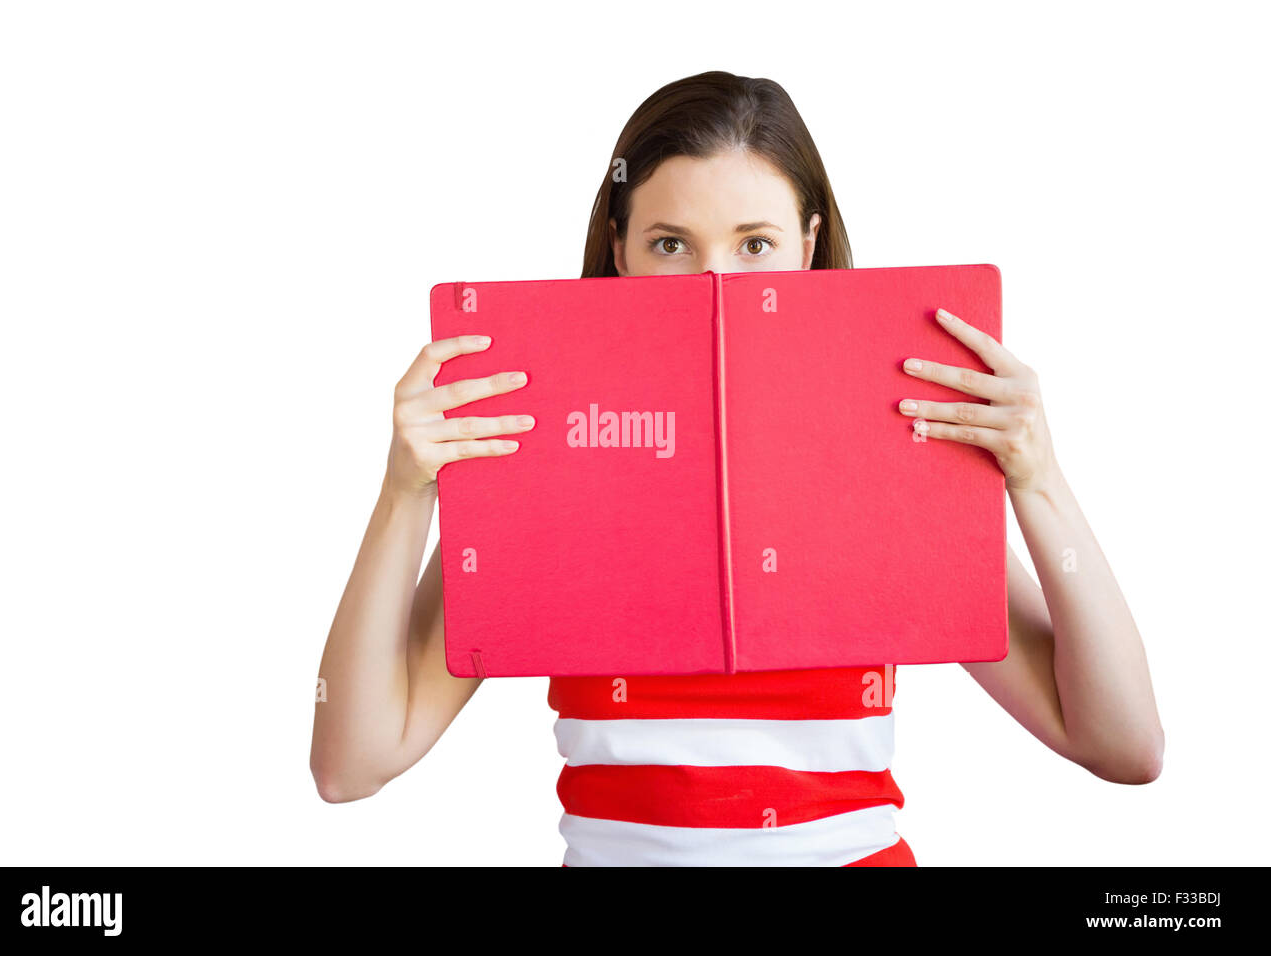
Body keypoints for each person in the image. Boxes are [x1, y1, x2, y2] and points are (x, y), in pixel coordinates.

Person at [309, 71, 1164, 866]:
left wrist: (1037, 479)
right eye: (671, 242)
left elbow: (1123, 745)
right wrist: (403, 491)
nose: (712, 284)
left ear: (809, 243)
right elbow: (351, 764)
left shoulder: (888, 447)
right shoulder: (536, 447)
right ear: (619, 248)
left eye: (755, 244)